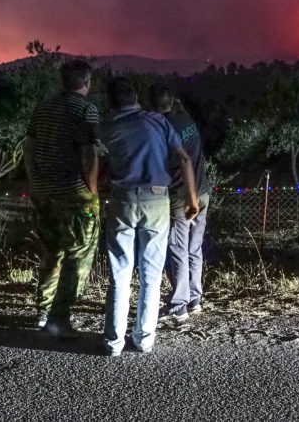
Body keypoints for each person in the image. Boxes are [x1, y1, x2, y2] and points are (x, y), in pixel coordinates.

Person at [101, 77, 199, 356]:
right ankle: (144, 339)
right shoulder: (158, 121)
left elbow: (95, 152)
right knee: (151, 275)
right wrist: (191, 199)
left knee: (120, 273)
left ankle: (113, 342)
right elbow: (183, 159)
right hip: (157, 200)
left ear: (112, 103)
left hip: (122, 199)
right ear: (137, 99)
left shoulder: (108, 126)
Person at [23, 59, 100, 338]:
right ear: (86, 82)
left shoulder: (43, 108)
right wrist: (91, 192)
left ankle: (43, 312)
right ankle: (60, 318)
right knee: (78, 255)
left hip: (44, 192)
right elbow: (89, 154)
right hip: (73, 193)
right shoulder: (86, 110)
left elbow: (28, 147)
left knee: (50, 251)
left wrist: (35, 181)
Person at [149, 85, 211, 321]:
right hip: (203, 192)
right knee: (194, 248)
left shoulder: (164, 127)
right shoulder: (186, 119)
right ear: (172, 102)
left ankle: (178, 304)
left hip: (181, 197)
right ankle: (195, 298)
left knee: (177, 249)